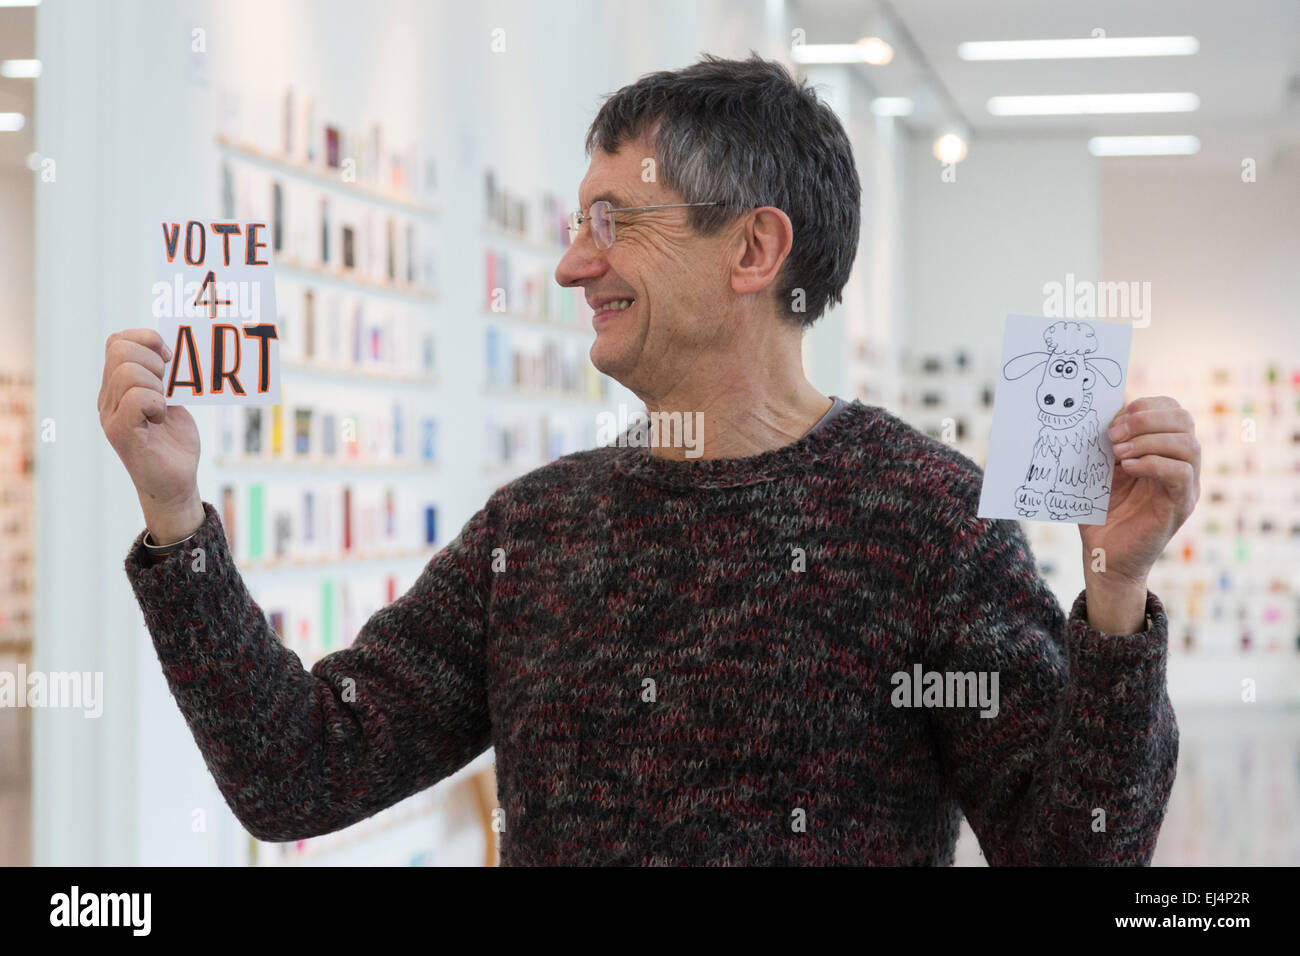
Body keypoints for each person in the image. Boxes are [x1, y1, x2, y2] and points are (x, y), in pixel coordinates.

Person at [102, 54, 1197, 865]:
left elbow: (1075, 855)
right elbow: (298, 770)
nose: (575, 262)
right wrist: (174, 519)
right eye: (581, 221)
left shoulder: (929, 517)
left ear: (755, 251)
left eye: (615, 220)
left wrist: (1114, 595)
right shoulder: (530, 531)